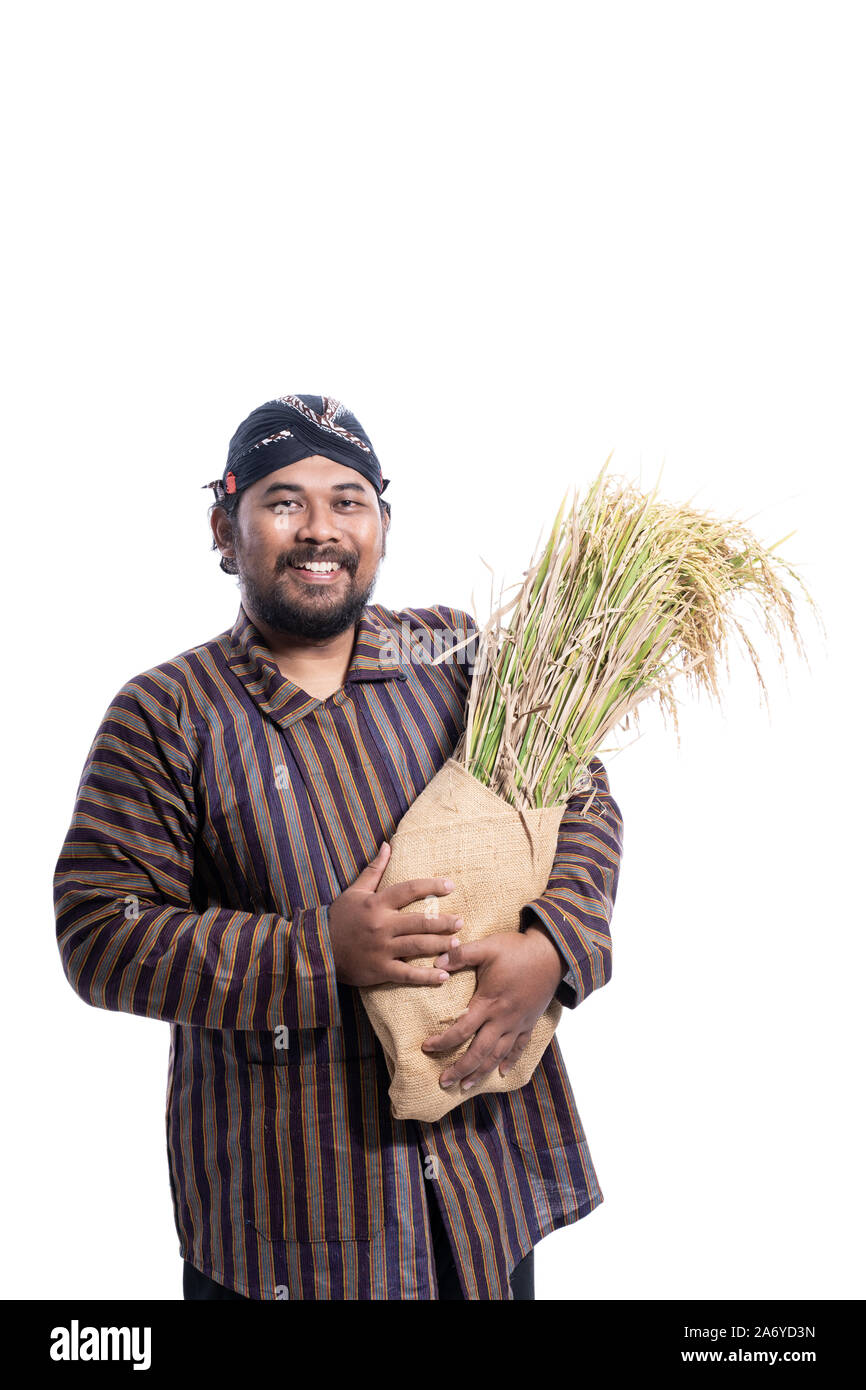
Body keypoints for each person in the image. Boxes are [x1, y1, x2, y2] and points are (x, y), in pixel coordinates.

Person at [54, 392, 624, 1301]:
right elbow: (100, 935)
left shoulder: (454, 654)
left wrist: (554, 947)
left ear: (383, 526)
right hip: (291, 1222)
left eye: (348, 500)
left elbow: (580, 791)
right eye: (284, 502)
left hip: (483, 1189)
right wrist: (320, 952)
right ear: (224, 527)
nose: (321, 529)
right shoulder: (165, 714)